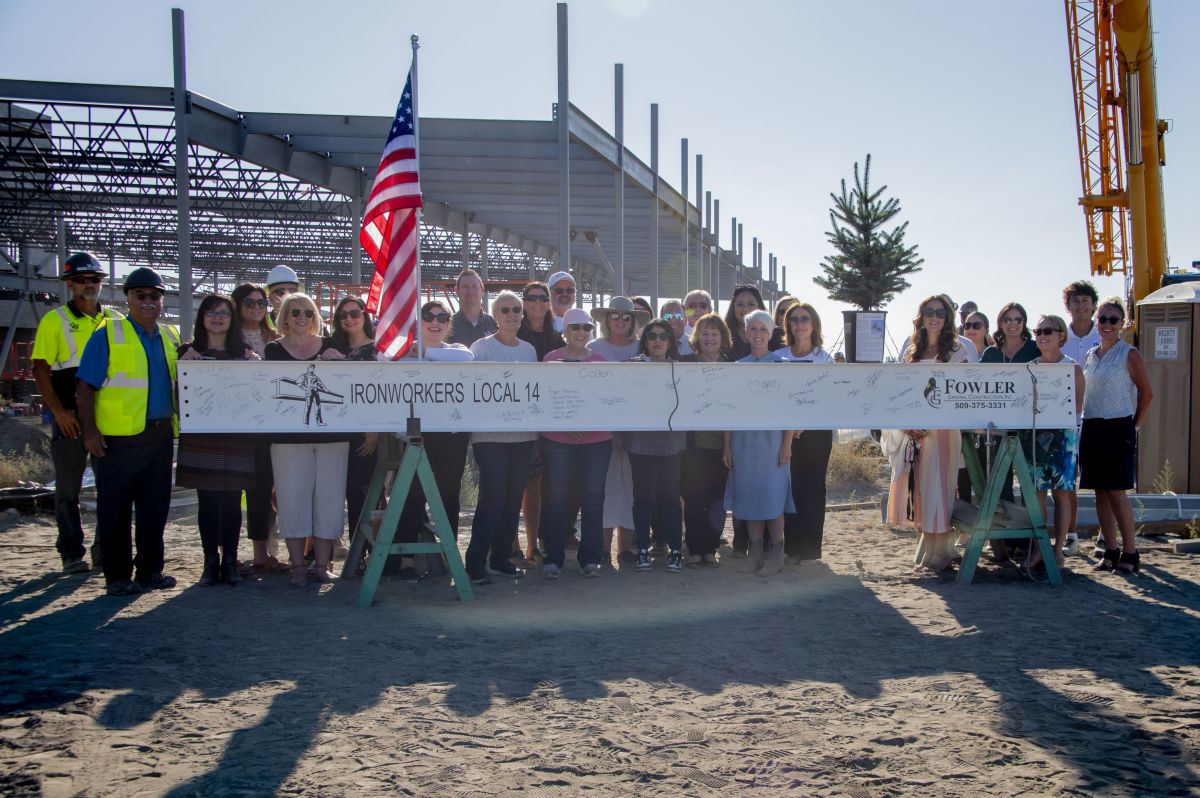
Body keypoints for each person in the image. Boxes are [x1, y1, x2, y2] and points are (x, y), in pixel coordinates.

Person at [76, 267, 180, 597]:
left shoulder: (171, 337)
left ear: (162, 300)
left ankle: (150, 570)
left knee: (154, 508)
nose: (148, 301)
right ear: (128, 298)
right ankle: (118, 575)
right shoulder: (108, 334)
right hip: (118, 439)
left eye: (154, 296)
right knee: (115, 509)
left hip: (159, 435)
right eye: (140, 295)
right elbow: (84, 388)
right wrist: (90, 432)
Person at [31, 252, 123, 574]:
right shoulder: (54, 321)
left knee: (109, 488)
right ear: (70, 284)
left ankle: (103, 550)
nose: (89, 285)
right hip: (70, 418)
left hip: (107, 418)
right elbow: (41, 369)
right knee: (68, 489)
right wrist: (59, 413)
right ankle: (71, 553)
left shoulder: (115, 321)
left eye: (94, 279)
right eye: (81, 280)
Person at [884, 294, 973, 576]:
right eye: (929, 312)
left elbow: (961, 392)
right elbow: (900, 389)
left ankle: (941, 553)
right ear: (921, 317)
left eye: (940, 313)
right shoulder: (912, 349)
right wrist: (907, 423)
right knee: (922, 490)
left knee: (940, 490)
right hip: (915, 433)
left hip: (943, 430)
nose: (934, 317)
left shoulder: (957, 351)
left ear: (947, 319)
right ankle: (931, 550)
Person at [263, 293, 348, 587]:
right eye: (296, 312)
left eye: (308, 313)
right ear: (285, 316)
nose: (302, 317)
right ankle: (297, 566)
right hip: (288, 438)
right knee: (292, 500)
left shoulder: (331, 345)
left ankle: (322, 565)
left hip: (332, 437)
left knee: (330, 501)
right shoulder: (273, 350)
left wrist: (339, 361)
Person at [175, 294, 258, 586]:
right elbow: (178, 399)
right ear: (202, 318)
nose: (217, 318)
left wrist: (256, 368)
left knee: (233, 500)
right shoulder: (187, 351)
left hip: (236, 438)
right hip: (202, 438)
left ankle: (230, 561)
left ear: (232, 319)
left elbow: (255, 395)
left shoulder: (244, 354)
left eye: (224, 313)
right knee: (207, 501)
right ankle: (210, 562)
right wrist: (182, 369)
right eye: (211, 312)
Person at [391, 300, 474, 580]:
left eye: (442, 317)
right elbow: (385, 362)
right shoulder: (406, 354)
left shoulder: (456, 350)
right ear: (419, 321)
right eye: (428, 316)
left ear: (449, 323)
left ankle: (450, 555)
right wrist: (411, 351)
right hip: (418, 433)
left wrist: (424, 351)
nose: (435, 322)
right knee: (412, 495)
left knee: (449, 495)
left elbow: (466, 358)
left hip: (452, 434)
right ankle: (405, 561)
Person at [466, 291, 539, 584]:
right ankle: (475, 561)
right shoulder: (480, 348)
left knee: (512, 499)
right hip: (489, 435)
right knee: (493, 497)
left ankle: (500, 558)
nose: (512, 315)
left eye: (516, 310)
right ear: (495, 315)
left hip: (523, 435)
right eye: (505, 310)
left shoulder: (529, 351)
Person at [1081, 298, 1153, 574]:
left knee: (1116, 491)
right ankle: (1110, 550)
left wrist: (1135, 427)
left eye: (1113, 319)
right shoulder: (1090, 355)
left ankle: (1131, 552)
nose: (1107, 324)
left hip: (1118, 426)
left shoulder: (1129, 354)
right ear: (1096, 321)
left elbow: (1147, 393)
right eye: (1103, 319)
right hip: (1092, 425)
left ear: (1122, 323)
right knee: (1099, 491)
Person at [540, 308, 612, 578]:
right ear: (566, 331)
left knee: (593, 499)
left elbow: (605, 401)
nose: (581, 332)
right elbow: (547, 399)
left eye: (586, 328)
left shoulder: (601, 362)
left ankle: (590, 558)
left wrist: (585, 424)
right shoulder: (550, 360)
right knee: (557, 499)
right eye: (576, 327)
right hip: (558, 439)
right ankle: (553, 558)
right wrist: (569, 424)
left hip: (597, 440)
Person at [724, 310, 794, 576]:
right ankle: (754, 554)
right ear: (745, 331)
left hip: (773, 441)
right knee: (750, 497)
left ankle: (776, 554)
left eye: (763, 329)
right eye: (752, 328)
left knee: (773, 497)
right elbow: (730, 410)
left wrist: (787, 444)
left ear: (771, 332)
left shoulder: (782, 365)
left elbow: (790, 408)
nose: (757, 334)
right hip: (743, 442)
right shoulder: (738, 367)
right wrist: (727, 446)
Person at [588, 296, 649, 565]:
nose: (621, 321)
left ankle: (625, 548)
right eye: (615, 316)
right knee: (605, 487)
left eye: (626, 316)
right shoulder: (593, 347)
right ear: (606, 320)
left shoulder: (642, 348)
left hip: (636, 429)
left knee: (631, 488)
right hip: (602, 429)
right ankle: (603, 547)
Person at [231, 282, 285, 572]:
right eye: (249, 303)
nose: (256, 308)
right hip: (242, 424)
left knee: (277, 488)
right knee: (255, 489)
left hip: (276, 422)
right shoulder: (230, 338)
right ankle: (259, 553)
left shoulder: (276, 338)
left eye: (261, 303)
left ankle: (282, 550)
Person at [776, 301, 835, 563]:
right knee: (790, 489)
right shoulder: (779, 356)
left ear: (814, 325)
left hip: (815, 433)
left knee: (812, 488)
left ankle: (811, 551)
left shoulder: (823, 358)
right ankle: (792, 549)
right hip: (783, 434)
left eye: (805, 319)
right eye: (794, 319)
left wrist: (803, 422)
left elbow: (828, 397)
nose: (799, 324)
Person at [627, 319, 687, 572]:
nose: (658, 341)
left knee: (671, 498)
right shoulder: (632, 367)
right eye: (652, 336)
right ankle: (642, 548)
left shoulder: (682, 369)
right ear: (645, 341)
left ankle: (675, 550)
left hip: (671, 444)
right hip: (640, 444)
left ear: (671, 342)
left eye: (663, 336)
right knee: (642, 498)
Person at [1028, 314, 1085, 569]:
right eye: (1038, 331)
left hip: (1063, 436)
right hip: (1035, 436)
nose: (1042, 336)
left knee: (1062, 493)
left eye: (1047, 331)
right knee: (1037, 494)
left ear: (1061, 334)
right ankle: (1040, 549)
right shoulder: (1030, 368)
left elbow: (1078, 405)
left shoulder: (1072, 367)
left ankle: (1059, 549)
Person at [514, 281, 565, 567]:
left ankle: (534, 544)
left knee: (539, 484)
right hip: (519, 416)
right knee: (513, 483)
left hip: (549, 416)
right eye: (531, 298)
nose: (537, 302)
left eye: (542, 298)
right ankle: (511, 544)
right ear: (524, 302)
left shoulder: (557, 338)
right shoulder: (514, 333)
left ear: (548, 302)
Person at [680, 313, 732, 566]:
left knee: (716, 500)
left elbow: (733, 410)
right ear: (697, 337)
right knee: (693, 498)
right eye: (705, 334)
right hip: (692, 445)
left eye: (715, 334)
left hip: (721, 445)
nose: (710, 338)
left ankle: (710, 548)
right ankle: (694, 548)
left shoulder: (732, 368)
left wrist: (728, 448)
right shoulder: (685, 364)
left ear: (723, 337)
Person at [980, 302, 1040, 520]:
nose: (1012, 324)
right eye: (1007, 320)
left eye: (1017, 320)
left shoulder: (1035, 349)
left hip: (1029, 425)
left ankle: (1028, 532)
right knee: (1000, 481)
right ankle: (1006, 532)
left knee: (1029, 483)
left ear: (1024, 322)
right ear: (1000, 323)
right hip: (999, 426)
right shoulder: (991, 353)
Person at [329, 296, 380, 544]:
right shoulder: (331, 348)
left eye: (355, 313)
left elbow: (383, 393)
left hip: (367, 435)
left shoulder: (379, 350)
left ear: (364, 315)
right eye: (343, 315)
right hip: (336, 432)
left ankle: (370, 550)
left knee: (368, 493)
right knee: (341, 493)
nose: (349, 319)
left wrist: (375, 431)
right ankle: (352, 551)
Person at [1061, 279, 1101, 556]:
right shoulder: (1060, 336)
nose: (1081, 305)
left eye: (1085, 300)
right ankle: (1071, 534)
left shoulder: (1104, 334)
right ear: (1069, 306)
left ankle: (1105, 535)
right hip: (1067, 420)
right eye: (1076, 301)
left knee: (1101, 482)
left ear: (1093, 305)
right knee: (1068, 481)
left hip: (1097, 418)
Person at [724, 284, 784, 361]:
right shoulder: (723, 334)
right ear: (733, 307)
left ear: (759, 307)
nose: (745, 309)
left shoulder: (777, 335)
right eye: (740, 304)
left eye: (751, 304)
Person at [448, 268, 497, 347]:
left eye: (474, 286)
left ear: (482, 290)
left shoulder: (494, 324)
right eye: (465, 286)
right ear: (457, 291)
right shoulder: (447, 325)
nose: (470, 291)